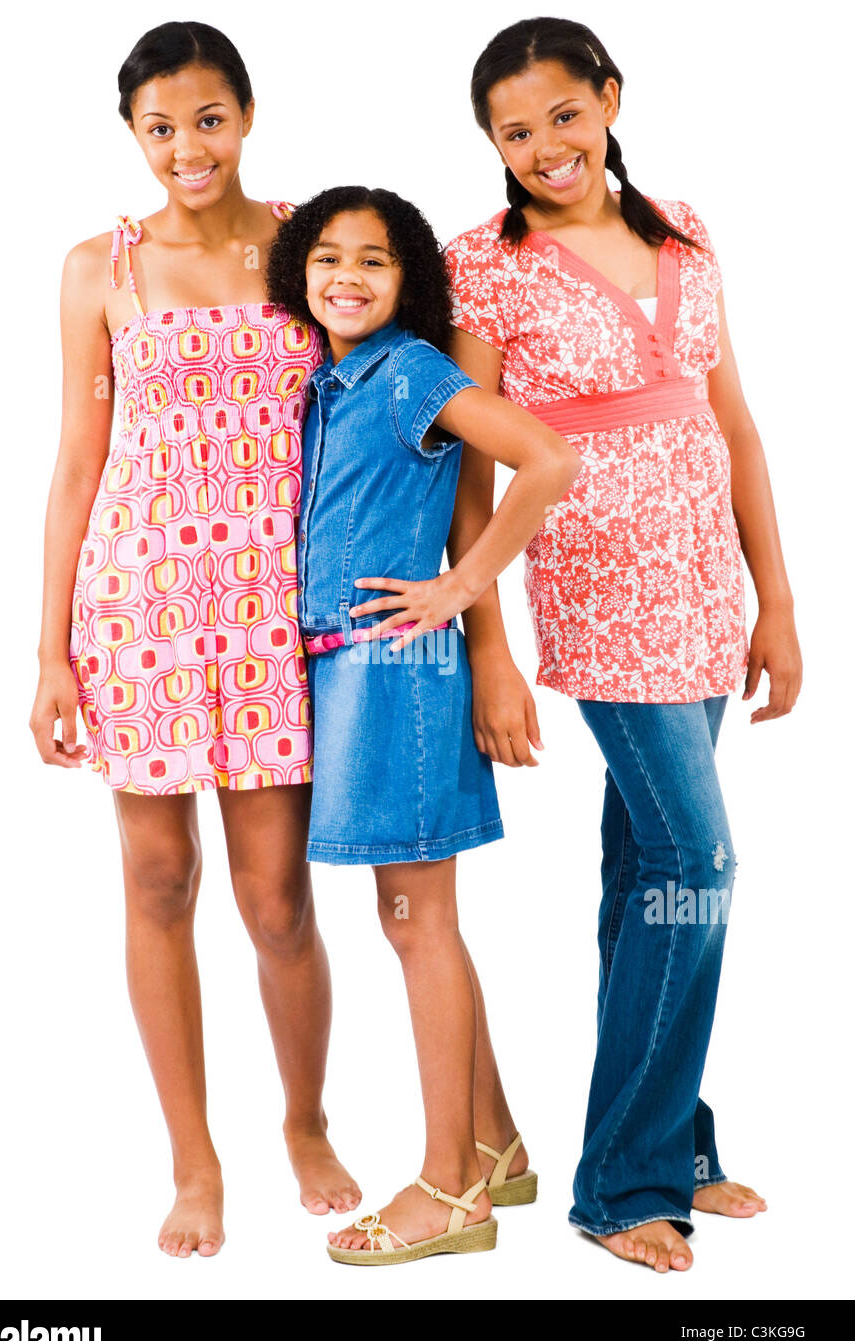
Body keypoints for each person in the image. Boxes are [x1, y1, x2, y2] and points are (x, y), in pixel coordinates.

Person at [443, 16, 802, 1273]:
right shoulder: (480, 263)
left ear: (606, 96)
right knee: (693, 862)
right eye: (511, 131)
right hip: (600, 594)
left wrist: (780, 600)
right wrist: (487, 645)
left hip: (704, 586)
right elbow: (467, 474)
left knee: (643, 877)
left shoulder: (686, 229)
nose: (542, 146)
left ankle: (675, 1141)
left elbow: (734, 422)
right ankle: (620, 1184)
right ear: (490, 144)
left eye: (558, 114)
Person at [30, 20, 361, 1259]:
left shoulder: (303, 246)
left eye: (207, 119)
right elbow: (77, 460)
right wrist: (50, 650)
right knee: (158, 880)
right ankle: (192, 1159)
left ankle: (305, 1120)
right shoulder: (94, 266)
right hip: (140, 612)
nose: (186, 147)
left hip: (275, 611)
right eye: (160, 126)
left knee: (276, 900)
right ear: (133, 134)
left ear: (248, 115)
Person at [266, 185, 583, 1263]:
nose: (345, 279)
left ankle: (448, 1189)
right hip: (342, 666)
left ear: (408, 281)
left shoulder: (409, 373)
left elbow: (546, 459)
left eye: (372, 261)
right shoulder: (325, 380)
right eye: (324, 260)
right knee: (414, 919)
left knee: (415, 922)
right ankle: (492, 1144)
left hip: (391, 669)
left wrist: (458, 589)